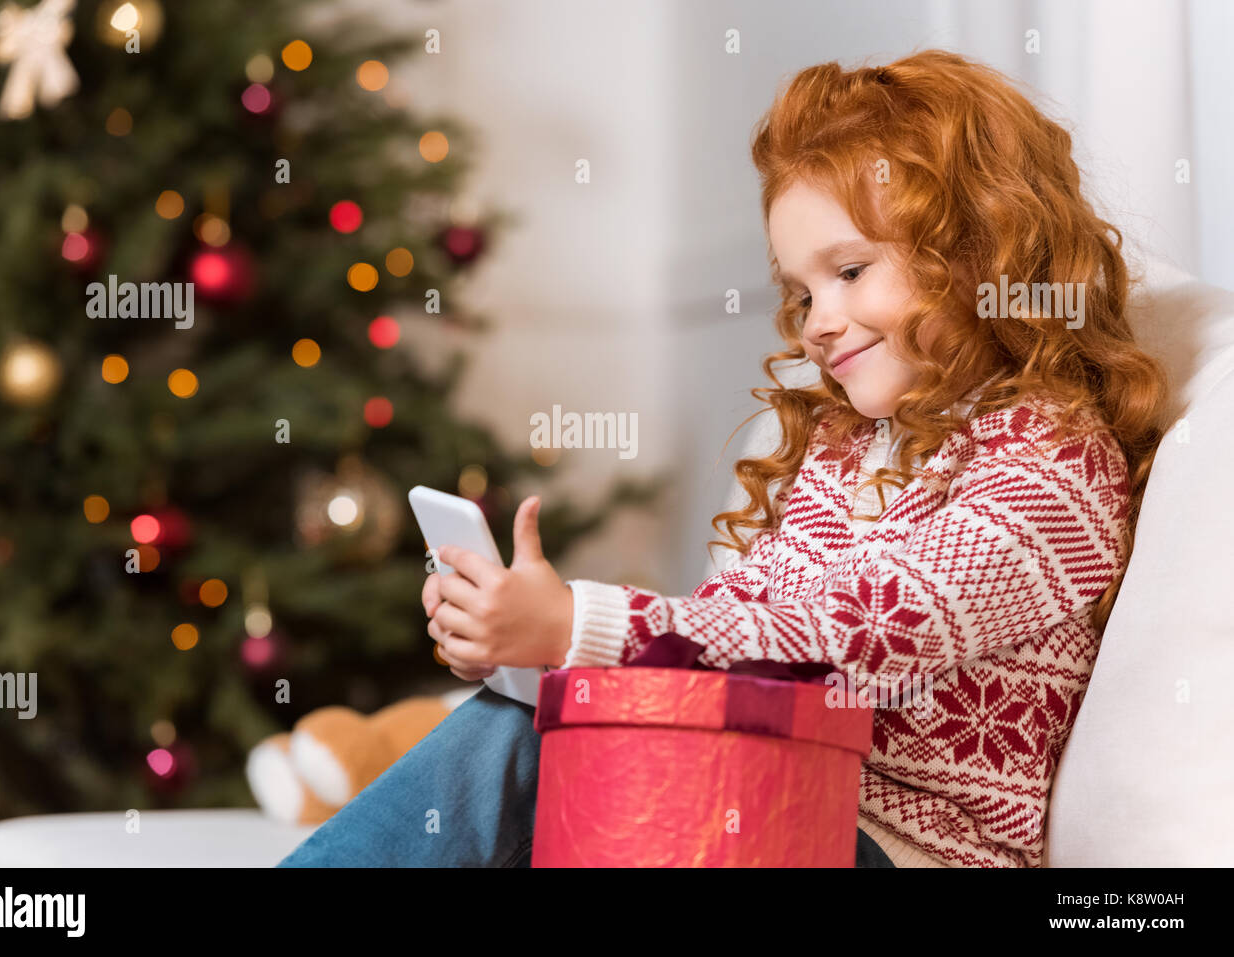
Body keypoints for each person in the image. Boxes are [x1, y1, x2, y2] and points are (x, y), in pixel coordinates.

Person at [279, 48, 1167, 869]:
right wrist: (528, 643)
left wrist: (579, 627)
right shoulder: (844, 451)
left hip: (895, 852)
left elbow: (852, 636)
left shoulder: (1052, 467)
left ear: (979, 247)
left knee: (542, 745)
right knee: (530, 722)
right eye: (802, 289)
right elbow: (722, 636)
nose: (817, 319)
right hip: (765, 801)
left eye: (850, 271)